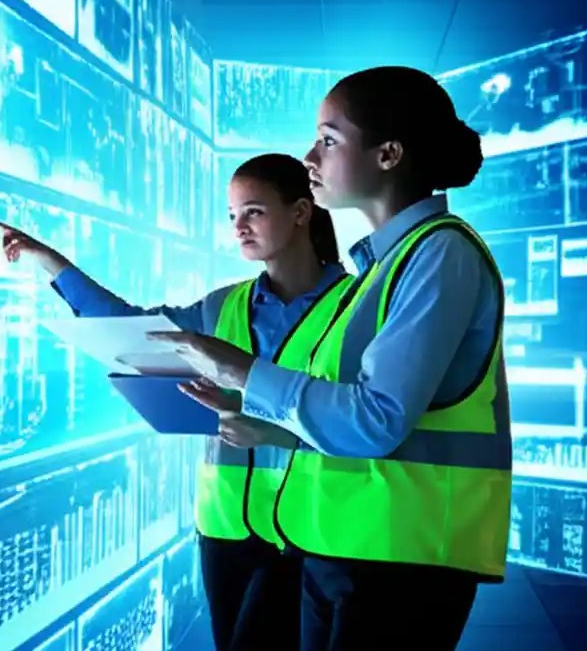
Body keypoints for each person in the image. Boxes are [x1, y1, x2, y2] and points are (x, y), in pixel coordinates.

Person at [149, 66, 512, 651]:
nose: (309, 155)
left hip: (402, 555)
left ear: (389, 153)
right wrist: (268, 425)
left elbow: (377, 419)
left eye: (328, 139)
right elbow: (344, 416)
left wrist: (238, 368)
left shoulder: (440, 254)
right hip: (342, 544)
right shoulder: (378, 270)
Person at [0, 153, 355, 651]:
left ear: (300, 211)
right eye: (232, 216)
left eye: (253, 211)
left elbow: (367, 420)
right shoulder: (221, 306)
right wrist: (48, 261)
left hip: (311, 529)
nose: (239, 227)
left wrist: (276, 432)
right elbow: (128, 327)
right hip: (225, 529)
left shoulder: (358, 308)